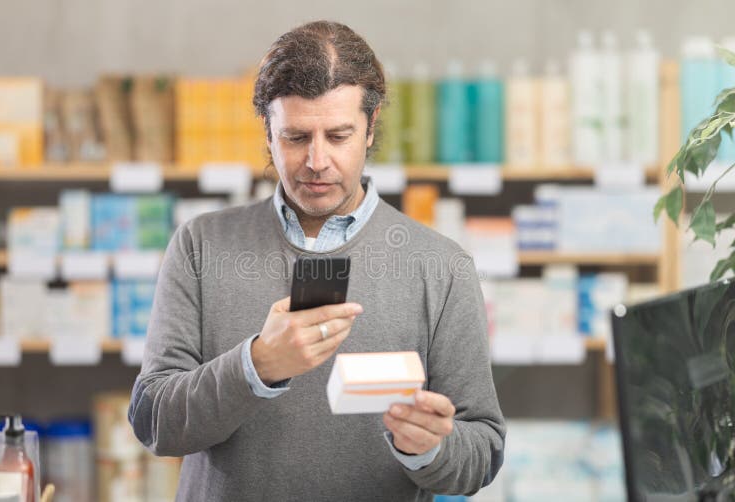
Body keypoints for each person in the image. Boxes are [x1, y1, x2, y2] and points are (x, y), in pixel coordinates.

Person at [128, 20, 505, 501]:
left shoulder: (442, 267)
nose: (317, 161)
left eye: (339, 135)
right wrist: (257, 365)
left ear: (370, 129)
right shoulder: (201, 246)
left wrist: (430, 450)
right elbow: (153, 420)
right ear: (268, 134)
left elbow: (483, 452)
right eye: (296, 137)